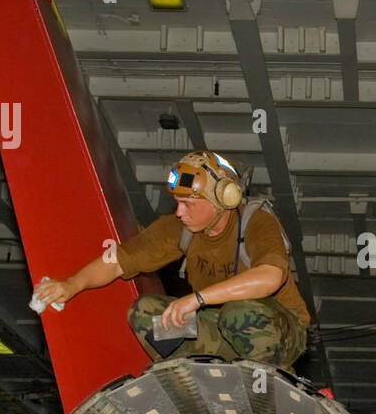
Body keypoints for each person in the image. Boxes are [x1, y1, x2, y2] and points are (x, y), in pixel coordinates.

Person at [33, 150, 310, 370]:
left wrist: (197, 299)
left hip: (279, 332)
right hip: (221, 328)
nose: (179, 212)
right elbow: (119, 261)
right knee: (146, 312)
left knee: (236, 313)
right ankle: (189, 377)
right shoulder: (180, 229)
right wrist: (71, 284)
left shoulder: (256, 221)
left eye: (188, 204)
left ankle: (272, 378)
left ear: (224, 199)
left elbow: (271, 275)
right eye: (177, 202)